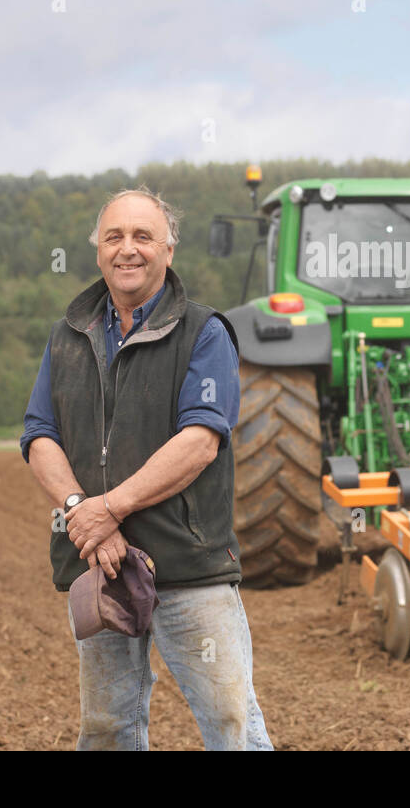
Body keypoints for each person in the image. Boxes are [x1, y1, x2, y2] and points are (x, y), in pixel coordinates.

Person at [20, 186, 272, 751]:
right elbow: (40, 437)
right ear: (98, 251)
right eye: (114, 237)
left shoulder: (205, 333)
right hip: (97, 568)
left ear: (168, 250)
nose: (127, 249)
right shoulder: (67, 338)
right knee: (108, 729)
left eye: (142, 237)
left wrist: (109, 508)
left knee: (230, 720)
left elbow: (200, 441)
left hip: (188, 565)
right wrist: (81, 512)